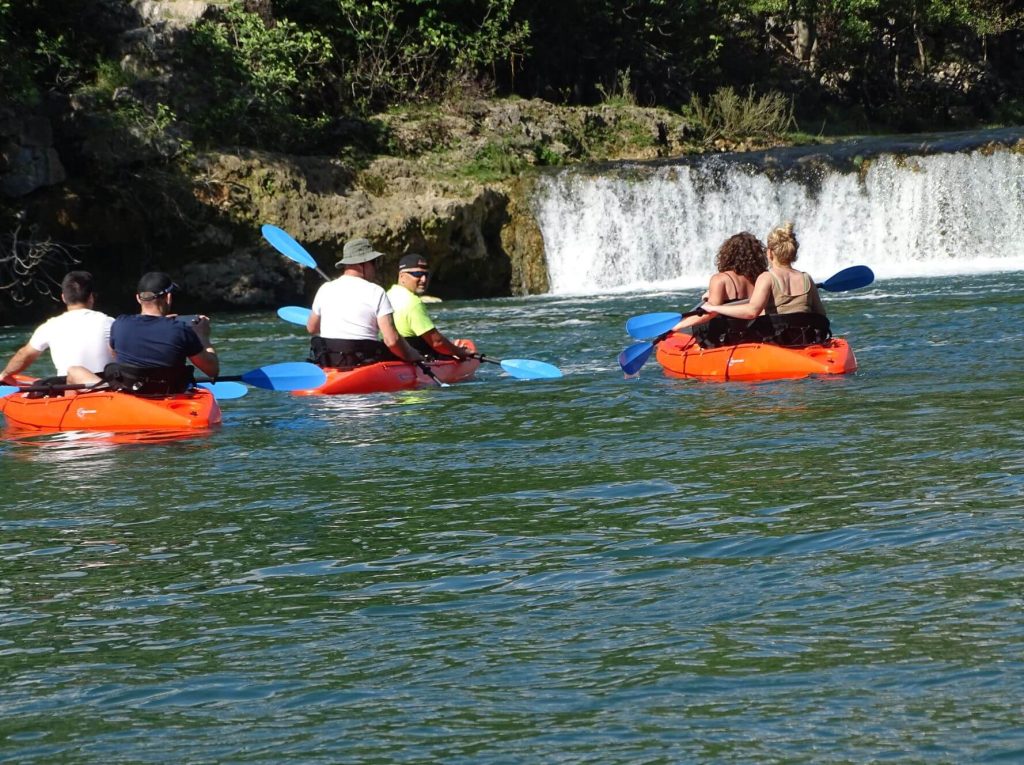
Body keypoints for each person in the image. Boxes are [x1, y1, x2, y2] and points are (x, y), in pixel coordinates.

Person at [68, 272, 219, 393]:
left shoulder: (119, 324)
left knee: (74, 371)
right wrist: (202, 336)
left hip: (130, 393)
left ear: (138, 299)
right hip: (168, 392)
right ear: (168, 297)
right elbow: (212, 370)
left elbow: (114, 354)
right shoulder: (181, 329)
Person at [699, 221, 830, 347]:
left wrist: (715, 308)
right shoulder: (807, 278)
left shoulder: (767, 277)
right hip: (804, 338)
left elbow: (752, 312)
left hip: (777, 341)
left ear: (770, 253)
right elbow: (821, 315)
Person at [305, 238, 425, 368]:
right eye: (374, 262)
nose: (376, 268)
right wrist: (412, 355)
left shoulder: (325, 288)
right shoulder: (376, 291)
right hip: (364, 362)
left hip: (330, 361)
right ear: (362, 264)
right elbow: (392, 341)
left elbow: (312, 328)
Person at [0, 270, 114, 386]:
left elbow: (24, 355)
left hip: (70, 389)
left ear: (63, 298)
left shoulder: (50, 326)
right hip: (107, 388)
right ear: (91, 297)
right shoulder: (110, 323)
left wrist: (5, 374)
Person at [671, 231, 768, 334]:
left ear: (728, 254)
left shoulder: (720, 279)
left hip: (725, 335)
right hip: (754, 332)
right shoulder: (763, 279)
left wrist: (678, 325)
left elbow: (709, 313)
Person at [386, 254, 472, 359]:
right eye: (417, 274)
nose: (424, 279)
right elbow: (437, 342)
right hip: (416, 358)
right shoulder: (413, 303)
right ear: (402, 276)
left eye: (426, 274)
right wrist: (460, 352)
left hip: (391, 356)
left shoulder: (387, 295)